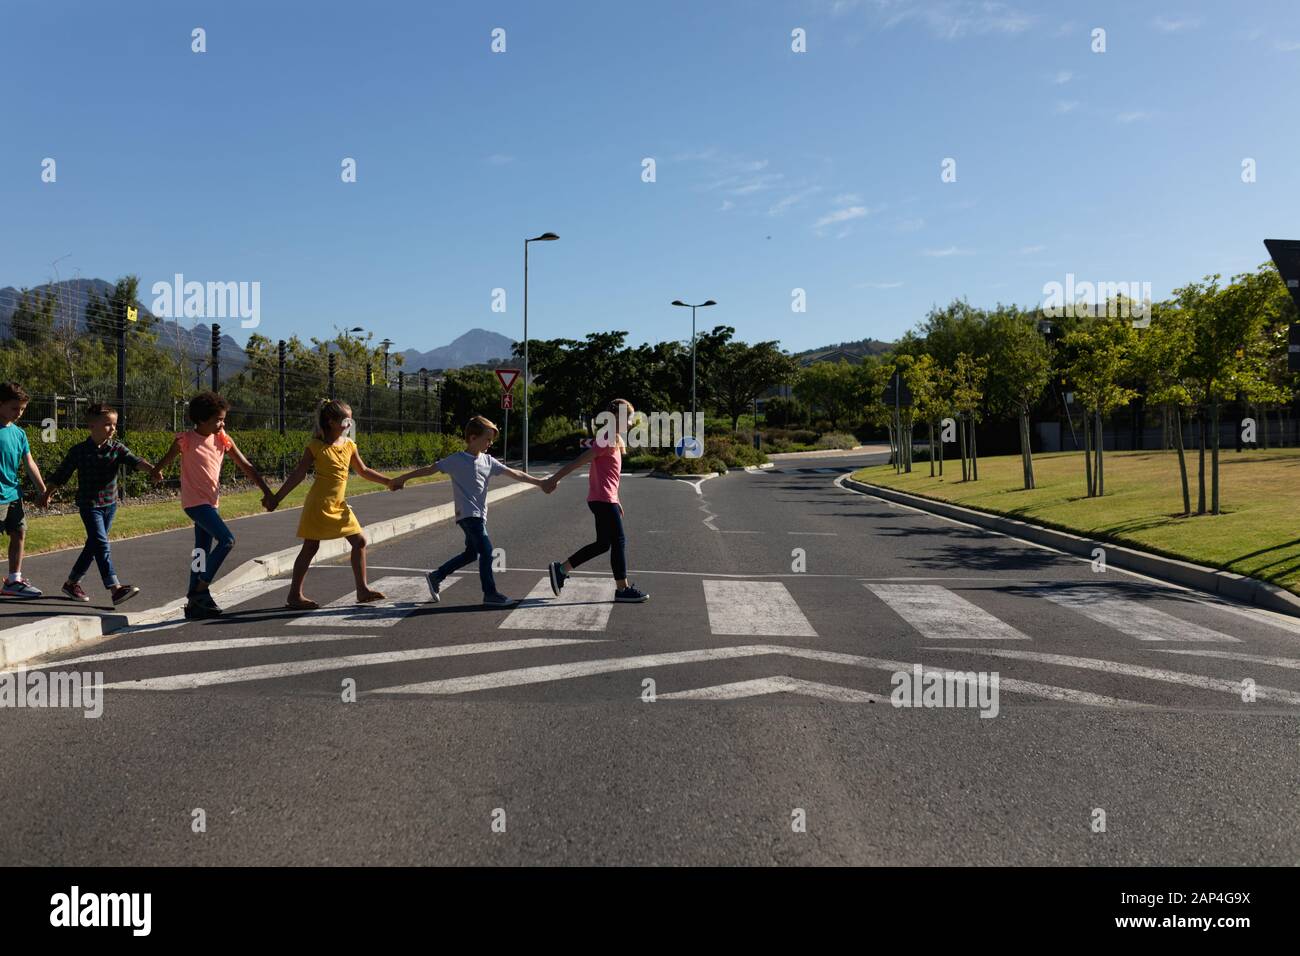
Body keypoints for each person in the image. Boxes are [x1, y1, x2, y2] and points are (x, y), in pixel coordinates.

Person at [391, 414, 549, 606]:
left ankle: (436, 576)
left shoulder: (488, 461)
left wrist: (539, 482)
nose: (490, 443)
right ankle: (490, 594)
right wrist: (402, 478)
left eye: (491, 440)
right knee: (488, 551)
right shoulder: (456, 460)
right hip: (468, 515)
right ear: (473, 438)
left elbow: (514, 473)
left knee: (471, 554)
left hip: (479, 516)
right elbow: (429, 469)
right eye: (487, 439)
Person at [152, 391, 275, 619]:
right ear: (201, 420)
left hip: (211, 503)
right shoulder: (186, 440)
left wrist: (267, 491)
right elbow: (165, 459)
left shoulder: (222, 439)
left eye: (223, 418)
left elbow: (245, 465)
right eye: (218, 419)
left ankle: (194, 602)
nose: (222, 423)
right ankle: (201, 589)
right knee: (227, 540)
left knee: (200, 551)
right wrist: (156, 470)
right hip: (194, 504)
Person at [267, 400, 390, 609]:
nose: (349, 423)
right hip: (319, 505)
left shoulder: (350, 445)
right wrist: (276, 498)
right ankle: (294, 595)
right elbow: (298, 474)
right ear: (331, 421)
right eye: (345, 420)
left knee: (359, 542)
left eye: (351, 419)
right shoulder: (316, 446)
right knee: (310, 547)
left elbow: (363, 470)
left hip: (339, 504)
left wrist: (388, 482)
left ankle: (362, 590)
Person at [39, 403, 155, 605]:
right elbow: (62, 474)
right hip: (89, 504)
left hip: (110, 505)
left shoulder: (117, 448)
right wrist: (47, 493)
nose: (113, 428)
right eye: (108, 424)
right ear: (92, 425)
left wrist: (152, 469)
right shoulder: (79, 451)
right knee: (101, 543)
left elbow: (135, 461)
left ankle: (71, 583)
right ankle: (115, 588)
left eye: (115, 424)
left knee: (94, 545)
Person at [545, 398, 648, 603]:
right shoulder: (606, 438)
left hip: (606, 499)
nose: (630, 422)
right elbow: (578, 462)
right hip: (602, 499)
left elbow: (610, 476)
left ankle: (561, 569)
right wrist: (553, 479)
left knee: (603, 544)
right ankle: (622, 589)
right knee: (618, 541)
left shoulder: (615, 439)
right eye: (628, 418)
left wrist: (617, 501)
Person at [0, 382, 48, 598]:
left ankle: (14, 580)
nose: (18, 413)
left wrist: (43, 489)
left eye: (22, 409)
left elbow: (29, 462)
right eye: (14, 408)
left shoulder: (19, 433)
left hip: (13, 494)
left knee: (19, 533)